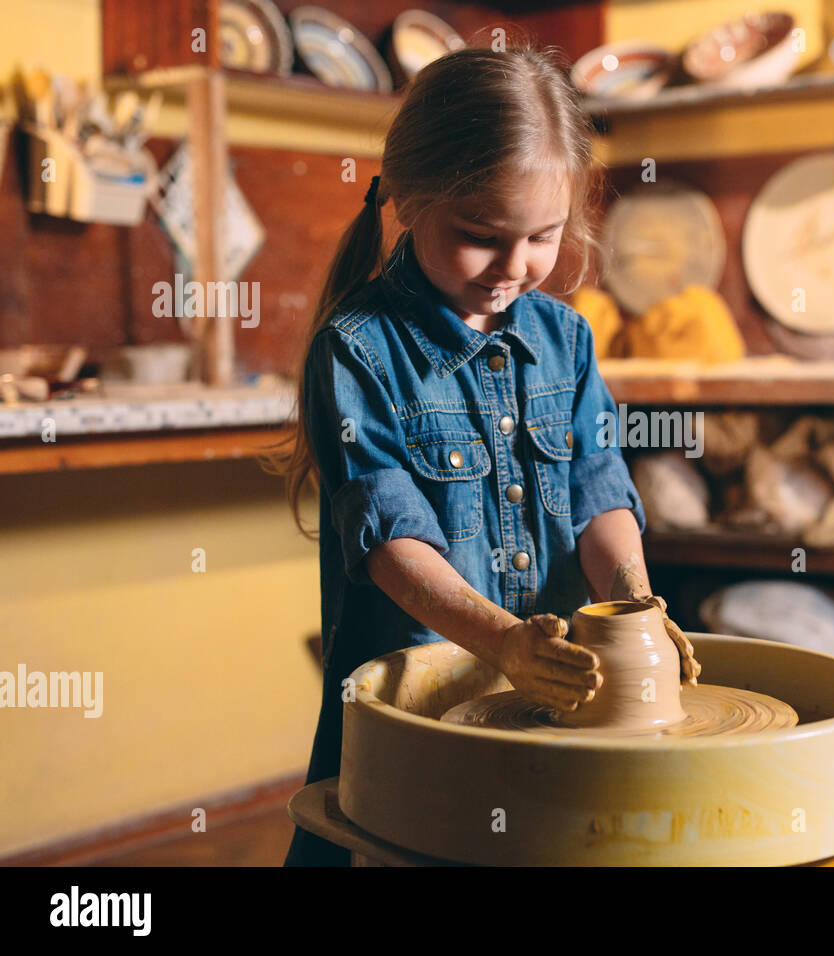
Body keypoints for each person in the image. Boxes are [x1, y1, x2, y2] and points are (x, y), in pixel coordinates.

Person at [268, 46, 700, 866]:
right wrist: (503, 642)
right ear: (406, 199)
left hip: (561, 696)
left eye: (542, 237)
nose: (514, 268)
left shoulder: (564, 337)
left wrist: (633, 602)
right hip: (417, 708)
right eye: (480, 237)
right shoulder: (357, 350)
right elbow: (393, 546)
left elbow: (598, 489)